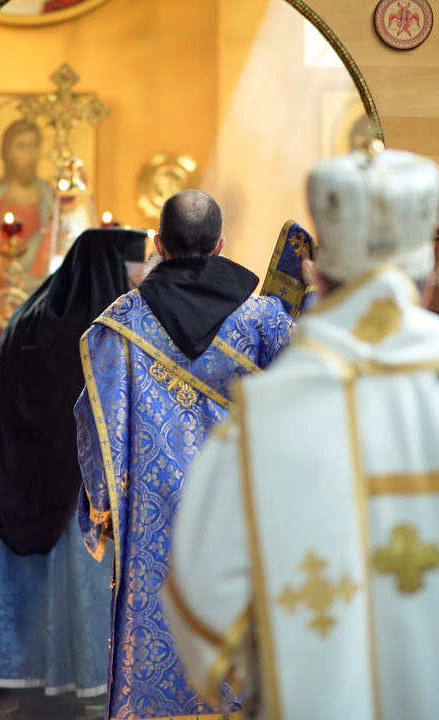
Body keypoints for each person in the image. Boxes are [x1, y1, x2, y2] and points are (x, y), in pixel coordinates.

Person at [163, 149, 439, 720]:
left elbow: (200, 604)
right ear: (428, 280)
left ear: (317, 275)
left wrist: (277, 686)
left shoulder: (256, 424)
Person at [74, 189, 310, 720]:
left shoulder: (120, 325)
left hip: (153, 523)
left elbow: (95, 420)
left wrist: (102, 508)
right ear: (221, 245)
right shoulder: (264, 320)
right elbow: (307, 399)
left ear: (158, 244)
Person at [0, 227, 147, 719]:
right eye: (135, 268)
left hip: (22, 478)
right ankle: (74, 690)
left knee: (43, 594)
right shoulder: (90, 325)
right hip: (71, 491)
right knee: (71, 589)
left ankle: (38, 690)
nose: (141, 278)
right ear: (111, 269)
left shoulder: (33, 309)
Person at [0, 119, 55, 292]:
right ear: (8, 152)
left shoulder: (51, 197)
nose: (30, 155)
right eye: (21, 147)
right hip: (0, 297)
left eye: (34, 146)